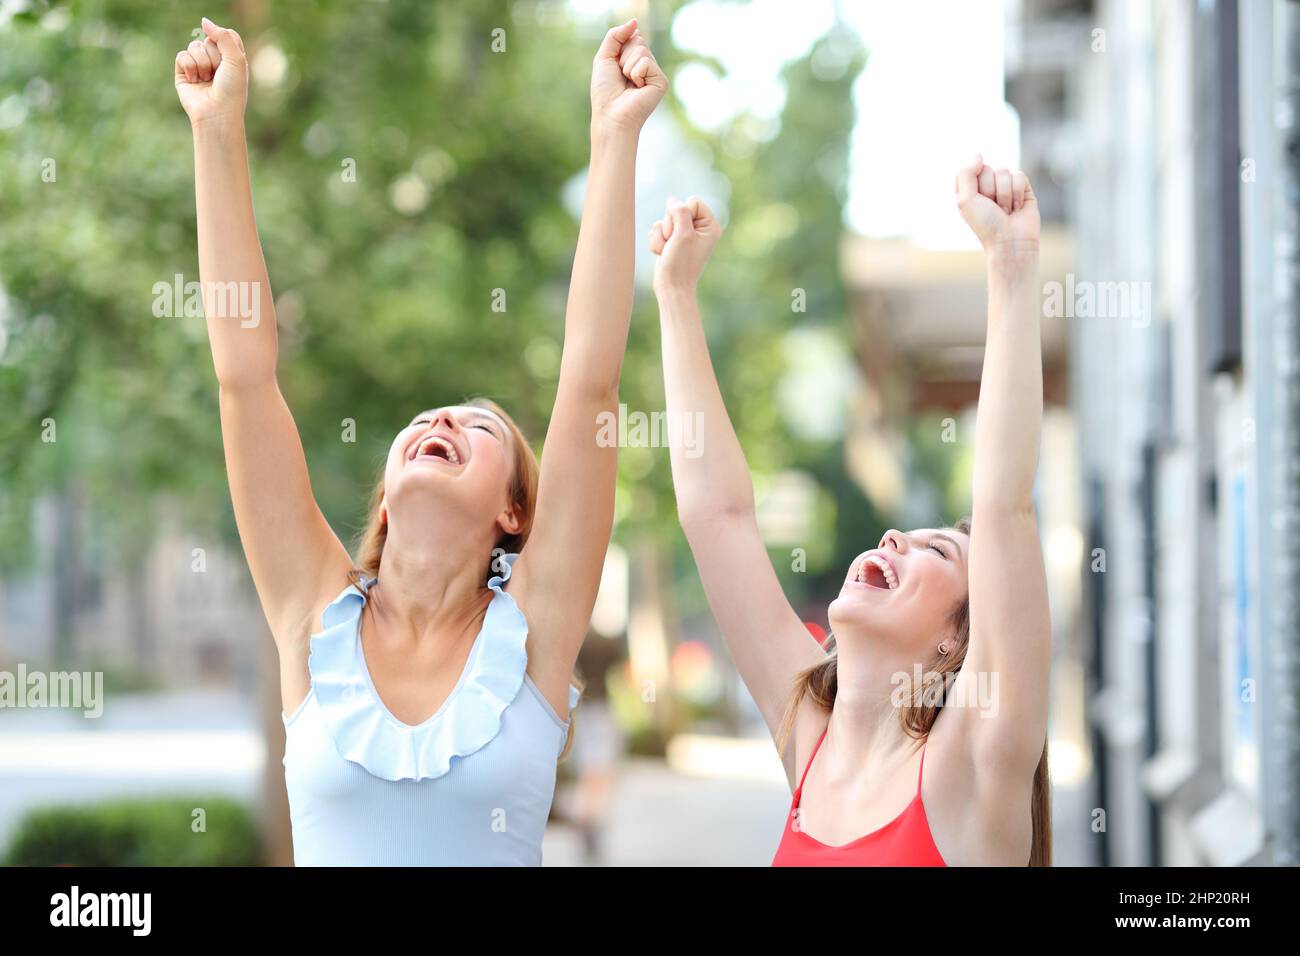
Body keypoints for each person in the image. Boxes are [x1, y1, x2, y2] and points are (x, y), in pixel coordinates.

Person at [173, 16, 665, 865]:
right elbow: (245, 378)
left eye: (476, 427)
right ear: (386, 495)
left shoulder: (536, 625)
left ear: (514, 512)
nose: (439, 422)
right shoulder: (312, 613)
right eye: (426, 422)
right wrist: (216, 132)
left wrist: (612, 137)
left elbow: (591, 381)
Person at [648, 157, 1052, 866]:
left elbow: (1004, 505)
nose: (893, 535)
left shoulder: (973, 761)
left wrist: (1012, 265)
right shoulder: (809, 732)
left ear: (958, 643)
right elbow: (718, 517)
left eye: (937, 552)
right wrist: (676, 292)